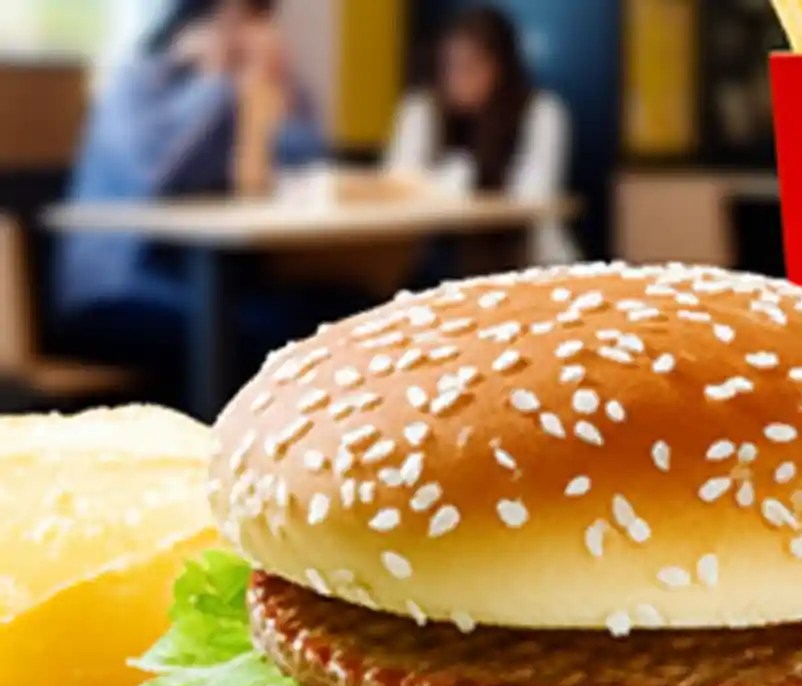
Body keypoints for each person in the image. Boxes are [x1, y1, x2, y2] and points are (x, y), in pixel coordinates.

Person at [53, 0, 361, 407]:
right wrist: (216, 81)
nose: (249, 33)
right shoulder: (137, 83)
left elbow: (300, 173)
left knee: (345, 313)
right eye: (234, 18)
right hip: (117, 287)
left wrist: (276, 92)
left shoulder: (256, 86)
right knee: (268, 332)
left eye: (258, 19)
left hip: (219, 280)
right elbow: (155, 177)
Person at [385, 6, 580, 272]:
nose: (457, 78)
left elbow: (533, 198)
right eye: (449, 65)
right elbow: (398, 185)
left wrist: (457, 181)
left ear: (501, 66)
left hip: (527, 259)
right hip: (436, 257)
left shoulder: (541, 111)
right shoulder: (422, 109)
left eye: (470, 65)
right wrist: (456, 179)